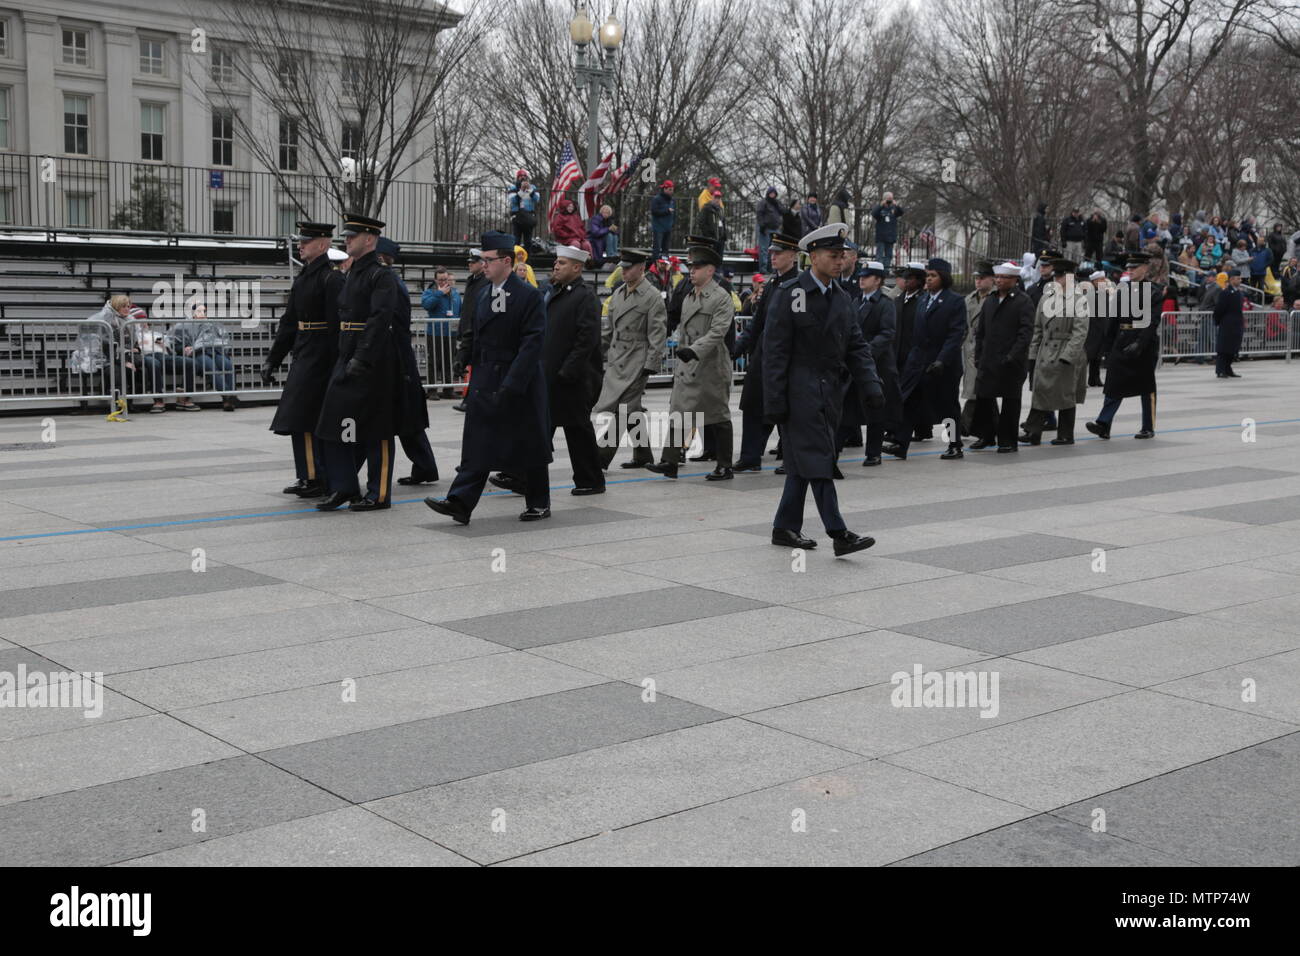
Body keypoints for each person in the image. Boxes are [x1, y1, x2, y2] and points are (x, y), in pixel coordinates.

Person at [763, 222, 883, 557]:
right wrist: (773, 400)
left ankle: (784, 527)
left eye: (843, 255)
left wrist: (871, 384)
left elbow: (857, 346)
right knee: (818, 460)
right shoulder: (792, 294)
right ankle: (838, 532)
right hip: (798, 394)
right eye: (833, 255)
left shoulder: (843, 298)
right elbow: (775, 351)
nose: (840, 261)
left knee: (804, 463)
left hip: (829, 395)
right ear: (813, 257)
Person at [425, 230, 552, 524]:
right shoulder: (484, 292)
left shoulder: (528, 296)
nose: (483, 265)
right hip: (485, 380)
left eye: (488, 260)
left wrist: (513, 383)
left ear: (506, 261)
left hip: (518, 382)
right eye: (482, 260)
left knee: (528, 442)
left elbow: (532, 343)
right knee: (478, 442)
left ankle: (539, 502)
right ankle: (460, 502)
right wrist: (463, 356)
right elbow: (474, 331)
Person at [313, 213, 404, 512]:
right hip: (348, 353)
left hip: (372, 359)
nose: (346, 240)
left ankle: (378, 493)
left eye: (352, 236)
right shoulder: (352, 273)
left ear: (369, 239)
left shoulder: (382, 275)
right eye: (347, 236)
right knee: (332, 424)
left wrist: (362, 357)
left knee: (376, 429)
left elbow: (379, 320)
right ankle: (344, 486)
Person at [646, 235, 736, 480]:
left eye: (696, 268)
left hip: (711, 365)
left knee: (717, 415)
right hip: (689, 365)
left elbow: (718, 332)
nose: (691, 272)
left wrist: (694, 350)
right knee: (679, 410)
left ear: (710, 270)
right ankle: (670, 461)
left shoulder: (721, 297)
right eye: (691, 268)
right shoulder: (688, 296)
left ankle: (725, 465)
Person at [595, 248, 668, 470]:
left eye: (628, 268)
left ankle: (600, 457)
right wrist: (594, 351)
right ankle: (643, 455)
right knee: (632, 410)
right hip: (619, 359)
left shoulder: (652, 296)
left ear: (641, 268)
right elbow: (609, 330)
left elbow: (658, 333)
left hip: (638, 360)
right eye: (622, 268)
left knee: (624, 410)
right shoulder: (618, 294)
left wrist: (651, 364)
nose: (624, 272)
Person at [376, 237, 440, 488]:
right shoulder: (390, 280)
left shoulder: (387, 281)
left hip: (397, 357)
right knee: (407, 419)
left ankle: (425, 467)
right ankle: (425, 467)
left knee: (407, 418)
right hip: (399, 356)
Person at [733, 232, 799, 471]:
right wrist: (736, 350)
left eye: (778, 253)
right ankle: (750, 457)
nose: (773, 256)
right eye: (772, 252)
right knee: (752, 406)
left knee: (784, 411)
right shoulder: (772, 284)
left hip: (784, 360)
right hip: (763, 358)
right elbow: (756, 323)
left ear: (792, 255)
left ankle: (791, 457)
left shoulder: (798, 286)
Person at [893, 257, 967, 460]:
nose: (928, 279)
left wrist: (942, 360)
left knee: (947, 406)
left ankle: (954, 444)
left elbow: (955, 334)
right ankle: (901, 443)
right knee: (909, 401)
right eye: (927, 276)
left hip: (943, 365)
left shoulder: (955, 301)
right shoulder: (923, 300)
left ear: (944, 277)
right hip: (919, 362)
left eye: (933, 276)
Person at [1086, 251, 1161, 440]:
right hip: (1122, 339)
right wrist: (1107, 347)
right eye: (1129, 268)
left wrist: (1140, 343)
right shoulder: (1123, 289)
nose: (1131, 271)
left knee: (1146, 387)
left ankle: (1148, 426)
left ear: (1145, 268)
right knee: (1113, 384)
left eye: (1134, 268)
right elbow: (1113, 318)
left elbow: (1151, 321)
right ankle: (1103, 424)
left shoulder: (1153, 291)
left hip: (1143, 344)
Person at [1019, 258, 1089, 446]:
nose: (1056, 279)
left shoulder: (1079, 299)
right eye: (1055, 275)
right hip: (1046, 351)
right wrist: (1032, 353)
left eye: (1060, 275)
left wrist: (1069, 356)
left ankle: (1066, 434)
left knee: (1066, 394)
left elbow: (1080, 332)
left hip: (1066, 351)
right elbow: (1037, 328)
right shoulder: (1046, 297)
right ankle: (1034, 431)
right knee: (1041, 390)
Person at [969, 261, 1034, 452]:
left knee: (1010, 403)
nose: (999, 281)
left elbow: (1025, 333)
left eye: (1004, 277)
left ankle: (1007, 440)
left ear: (1015, 279)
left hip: (1011, 362)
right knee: (984, 397)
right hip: (988, 359)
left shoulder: (1023, 301)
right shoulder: (990, 300)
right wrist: (979, 354)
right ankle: (987, 435)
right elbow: (981, 331)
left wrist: (1013, 355)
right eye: (997, 277)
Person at [846, 260, 900, 467]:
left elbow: (887, 333)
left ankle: (873, 453)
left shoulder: (885, 304)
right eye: (860, 276)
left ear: (877, 280)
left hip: (876, 365)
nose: (861, 279)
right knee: (847, 408)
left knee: (875, 411)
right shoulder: (855, 301)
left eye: (866, 276)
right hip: (855, 365)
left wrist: (864, 352)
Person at [880, 262, 925, 459]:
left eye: (911, 278)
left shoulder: (922, 301)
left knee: (909, 402)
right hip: (896, 357)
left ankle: (902, 441)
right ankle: (897, 436)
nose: (907, 281)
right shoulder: (898, 300)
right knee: (898, 399)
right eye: (905, 277)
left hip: (913, 359)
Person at [167, 302, 236, 411]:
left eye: (204, 311)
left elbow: (222, 338)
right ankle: (228, 397)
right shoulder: (182, 325)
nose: (202, 313)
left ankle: (230, 396)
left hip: (215, 351)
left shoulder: (212, 324)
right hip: (197, 353)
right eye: (199, 311)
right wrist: (185, 348)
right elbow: (174, 343)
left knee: (228, 365)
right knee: (210, 367)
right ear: (192, 313)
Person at [961, 262, 995, 436]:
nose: (978, 281)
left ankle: (964, 424)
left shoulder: (995, 298)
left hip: (986, 350)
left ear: (992, 279)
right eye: (976, 278)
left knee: (979, 388)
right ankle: (991, 427)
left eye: (982, 278)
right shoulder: (970, 298)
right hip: (968, 349)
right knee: (980, 390)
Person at [452, 248, 487, 412]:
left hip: (477, 328)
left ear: (482, 263)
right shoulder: (471, 280)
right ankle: (469, 399)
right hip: (468, 328)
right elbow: (467, 307)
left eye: (473, 262)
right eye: (469, 262)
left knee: (478, 366)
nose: (470, 265)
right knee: (473, 366)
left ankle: (469, 399)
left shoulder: (485, 281)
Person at [420, 267, 461, 400]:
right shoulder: (429, 292)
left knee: (449, 361)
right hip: (435, 332)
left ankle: (448, 389)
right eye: (441, 280)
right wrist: (439, 293)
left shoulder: (455, 293)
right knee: (434, 361)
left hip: (451, 332)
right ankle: (432, 390)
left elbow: (459, 310)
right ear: (435, 280)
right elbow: (426, 305)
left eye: (445, 279)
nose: (444, 282)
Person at [1213, 268, 1245, 378]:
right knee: (1224, 348)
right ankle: (1220, 370)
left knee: (1233, 347)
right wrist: (1219, 321)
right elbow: (1219, 309)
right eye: (1238, 278)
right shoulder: (1225, 293)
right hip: (1227, 323)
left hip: (1237, 323)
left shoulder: (1239, 292)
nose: (1240, 280)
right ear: (1231, 279)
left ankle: (1228, 368)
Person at [508, 170, 541, 250]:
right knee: (516, 240)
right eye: (520, 176)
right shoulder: (513, 188)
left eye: (524, 176)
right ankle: (515, 260)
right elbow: (513, 200)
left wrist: (529, 190)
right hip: (517, 217)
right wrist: (521, 190)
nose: (522, 178)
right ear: (517, 178)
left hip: (528, 217)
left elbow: (536, 199)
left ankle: (528, 260)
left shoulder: (532, 187)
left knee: (528, 241)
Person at [871, 193, 904, 269]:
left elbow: (901, 212)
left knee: (889, 256)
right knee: (879, 255)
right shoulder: (879, 209)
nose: (889, 201)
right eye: (888, 199)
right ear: (884, 199)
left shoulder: (894, 209)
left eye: (891, 199)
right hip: (881, 237)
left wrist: (896, 205)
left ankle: (886, 271)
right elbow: (873, 213)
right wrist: (881, 205)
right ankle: (878, 271)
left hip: (890, 237)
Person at [755, 187, 783, 272]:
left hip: (775, 229)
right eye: (771, 193)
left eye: (774, 193)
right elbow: (759, 214)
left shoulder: (777, 203)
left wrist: (778, 205)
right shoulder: (763, 202)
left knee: (774, 249)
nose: (772, 195)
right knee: (764, 249)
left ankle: (772, 268)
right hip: (766, 229)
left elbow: (782, 211)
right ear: (768, 193)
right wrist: (762, 226)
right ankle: (763, 269)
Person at [650, 180, 676, 260]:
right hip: (658, 228)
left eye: (672, 189)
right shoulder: (657, 199)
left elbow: (674, 213)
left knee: (666, 250)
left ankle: (665, 267)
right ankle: (654, 266)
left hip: (668, 228)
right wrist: (666, 211)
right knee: (657, 249)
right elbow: (654, 212)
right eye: (670, 189)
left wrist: (673, 223)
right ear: (665, 189)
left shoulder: (672, 200)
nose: (671, 191)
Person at [587, 204, 616, 268]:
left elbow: (615, 232)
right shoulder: (596, 219)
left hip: (602, 238)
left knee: (614, 236)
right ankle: (610, 256)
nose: (606, 214)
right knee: (609, 236)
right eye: (604, 212)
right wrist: (608, 229)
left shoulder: (609, 220)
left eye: (608, 213)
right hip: (594, 238)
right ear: (601, 212)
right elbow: (596, 232)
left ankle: (614, 255)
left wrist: (615, 230)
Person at [699, 190, 726, 256]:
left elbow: (723, 222)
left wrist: (724, 236)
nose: (717, 200)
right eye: (715, 197)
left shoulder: (721, 209)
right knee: (710, 259)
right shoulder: (706, 208)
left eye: (719, 198)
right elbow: (701, 223)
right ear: (712, 197)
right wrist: (708, 236)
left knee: (719, 259)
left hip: (720, 240)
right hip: (711, 240)